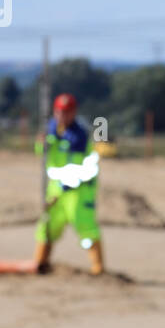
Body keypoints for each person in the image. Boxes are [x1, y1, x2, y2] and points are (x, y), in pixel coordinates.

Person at [33, 93, 103, 275]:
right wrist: (42, 142)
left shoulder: (80, 136)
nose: (62, 116)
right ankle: (40, 263)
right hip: (56, 190)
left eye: (67, 112)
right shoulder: (50, 131)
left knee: (85, 228)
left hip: (78, 191)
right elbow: (43, 154)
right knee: (47, 227)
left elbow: (83, 165)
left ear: (74, 112)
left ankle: (98, 267)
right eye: (59, 112)